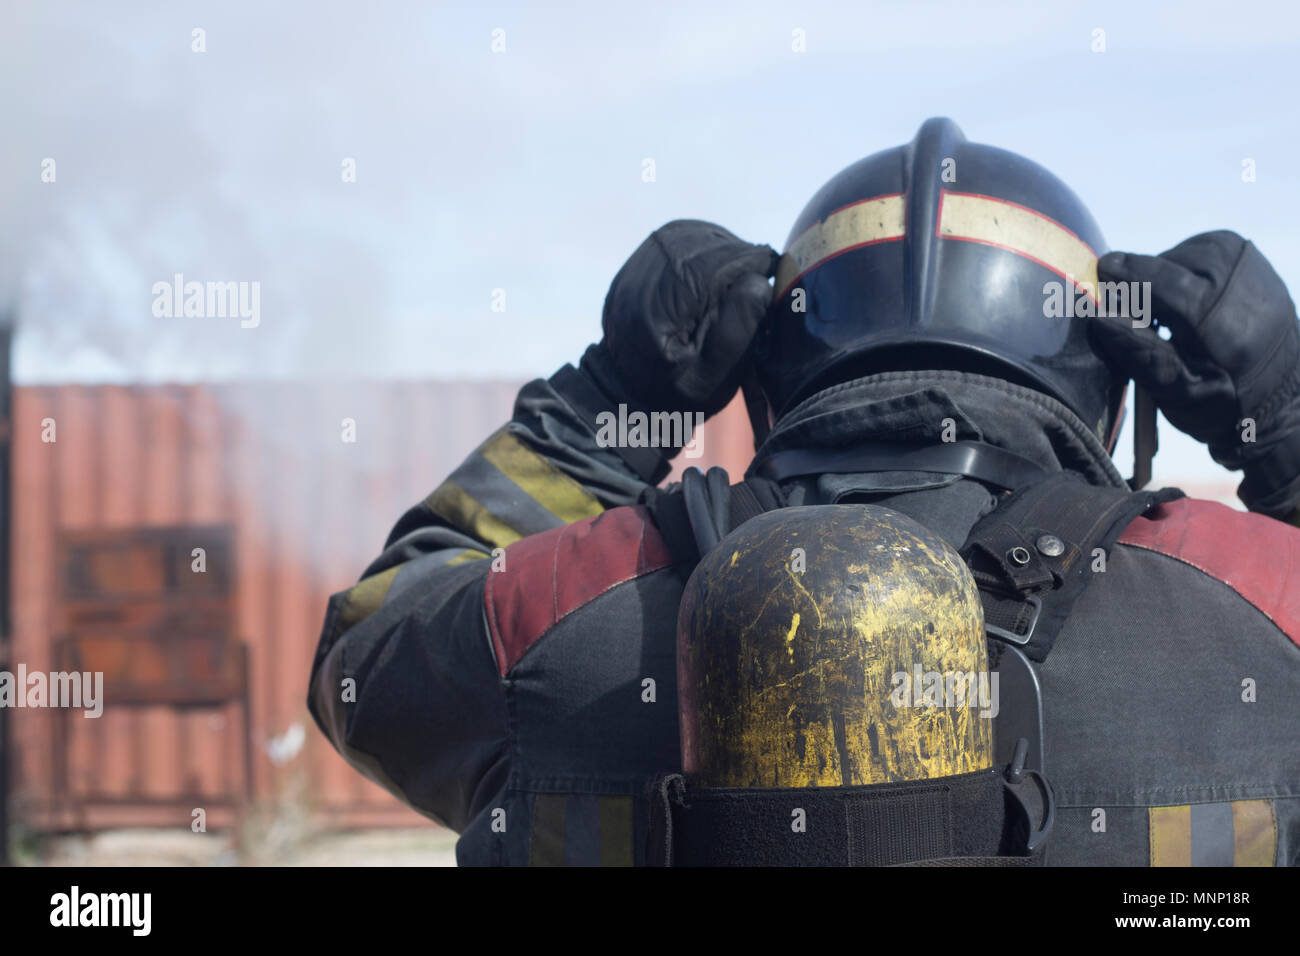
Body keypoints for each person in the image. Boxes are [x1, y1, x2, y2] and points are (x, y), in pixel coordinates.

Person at [308, 118, 1300, 866]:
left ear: (765, 374)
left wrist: (606, 403)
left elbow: (367, 653)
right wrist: (1285, 425)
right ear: (1110, 395)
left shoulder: (571, 605)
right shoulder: (1253, 602)